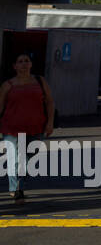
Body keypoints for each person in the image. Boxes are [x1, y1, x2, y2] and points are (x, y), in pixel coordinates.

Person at [0, 53, 55, 203]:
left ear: (31, 64)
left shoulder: (40, 81)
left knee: (29, 158)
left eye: (26, 61)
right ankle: (17, 189)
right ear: (15, 66)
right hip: (11, 128)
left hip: (36, 127)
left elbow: (50, 102)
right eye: (20, 61)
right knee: (17, 158)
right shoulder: (7, 85)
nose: (24, 64)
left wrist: (50, 123)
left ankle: (17, 185)